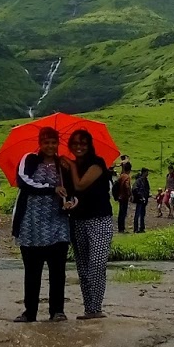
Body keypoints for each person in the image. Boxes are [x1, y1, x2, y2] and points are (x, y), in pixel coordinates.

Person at [12, 127, 70, 322]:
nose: (50, 146)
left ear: (58, 144)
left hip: (58, 223)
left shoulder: (62, 165)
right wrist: (52, 189)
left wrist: (71, 201)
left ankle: (57, 311)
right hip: (31, 224)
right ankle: (30, 312)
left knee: (58, 271)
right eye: (46, 142)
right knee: (32, 271)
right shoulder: (28, 160)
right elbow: (23, 182)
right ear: (40, 143)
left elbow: (71, 189)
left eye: (53, 142)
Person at [63, 129, 113, 321]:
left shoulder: (97, 163)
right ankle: (89, 310)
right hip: (77, 220)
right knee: (83, 267)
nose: (79, 146)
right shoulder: (68, 167)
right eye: (75, 143)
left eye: (83, 143)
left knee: (97, 264)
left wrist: (72, 167)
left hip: (100, 220)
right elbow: (70, 192)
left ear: (89, 145)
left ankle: (96, 307)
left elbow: (81, 185)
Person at [113, 159, 133, 233]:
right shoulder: (127, 177)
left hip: (120, 196)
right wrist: (130, 194)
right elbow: (127, 186)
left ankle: (120, 228)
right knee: (123, 213)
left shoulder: (121, 176)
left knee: (120, 213)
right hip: (124, 197)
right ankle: (122, 228)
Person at [132, 167, 151, 233]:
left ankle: (142, 227)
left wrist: (147, 195)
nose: (147, 174)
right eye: (146, 172)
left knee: (142, 214)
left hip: (144, 200)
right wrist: (140, 196)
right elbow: (134, 189)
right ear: (143, 173)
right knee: (137, 214)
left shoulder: (146, 181)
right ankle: (136, 228)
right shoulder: (139, 181)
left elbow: (148, 189)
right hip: (140, 200)